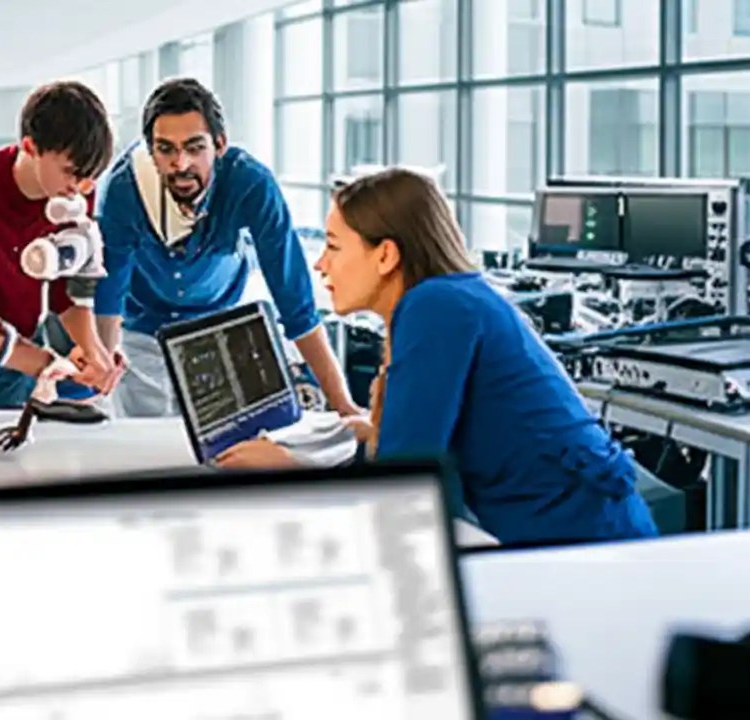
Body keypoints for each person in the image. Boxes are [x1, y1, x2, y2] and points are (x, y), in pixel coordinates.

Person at [215, 169, 659, 546]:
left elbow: (405, 482)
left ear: (386, 255)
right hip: (577, 534)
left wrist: (292, 469)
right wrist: (368, 432)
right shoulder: (449, 298)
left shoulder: (435, 308)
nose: (320, 266)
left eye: (333, 246)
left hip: (586, 549)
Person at [93, 78, 358, 418]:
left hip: (218, 326)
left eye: (194, 147)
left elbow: (296, 302)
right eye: (166, 149)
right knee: (149, 446)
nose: (180, 163)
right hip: (141, 332)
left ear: (219, 145)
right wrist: (98, 381)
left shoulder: (250, 183)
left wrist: (343, 405)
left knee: (224, 445)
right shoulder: (124, 188)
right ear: (150, 150)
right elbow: (109, 294)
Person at [0, 80, 119, 408]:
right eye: (71, 173)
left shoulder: (75, 190)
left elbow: (64, 291)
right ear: (30, 147)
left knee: (19, 454)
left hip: (24, 344)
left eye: (89, 178)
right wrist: (54, 366)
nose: (80, 188)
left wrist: (94, 353)